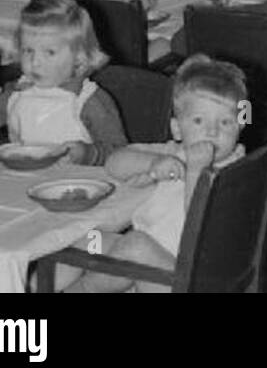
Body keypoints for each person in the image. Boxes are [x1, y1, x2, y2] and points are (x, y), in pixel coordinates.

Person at [64, 55, 248, 292]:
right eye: (199, 120)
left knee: (136, 245)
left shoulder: (235, 172)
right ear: (177, 129)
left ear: (240, 126)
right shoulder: (173, 151)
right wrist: (154, 162)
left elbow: (200, 229)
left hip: (188, 282)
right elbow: (114, 163)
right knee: (87, 240)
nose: (211, 132)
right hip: (152, 267)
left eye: (225, 122)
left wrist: (195, 171)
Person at [0, 0, 127, 165]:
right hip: (24, 179)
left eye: (49, 52)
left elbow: (121, 154)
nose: (35, 62)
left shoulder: (88, 101)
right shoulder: (16, 92)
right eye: (28, 51)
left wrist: (88, 154)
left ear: (79, 57)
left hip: (77, 182)